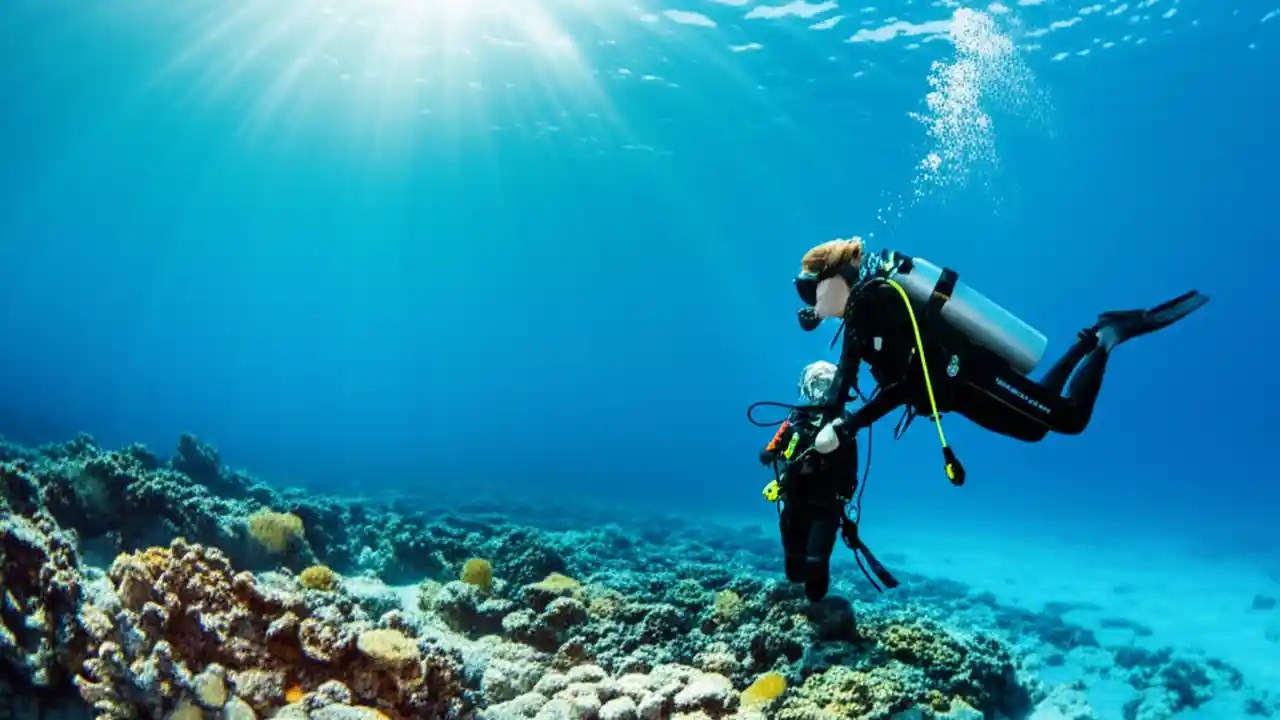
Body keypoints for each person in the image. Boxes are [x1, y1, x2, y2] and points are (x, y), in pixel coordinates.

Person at [790, 237, 1209, 485]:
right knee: (1034, 431)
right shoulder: (860, 320)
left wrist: (849, 425)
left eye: (810, 292)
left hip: (972, 376)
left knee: (1068, 420)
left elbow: (907, 382)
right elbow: (845, 381)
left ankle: (1106, 338)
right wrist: (829, 427)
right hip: (961, 392)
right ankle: (1086, 341)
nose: (811, 304)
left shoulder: (877, 302)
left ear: (834, 280)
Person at [756, 361, 898, 601]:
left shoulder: (844, 424)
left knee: (816, 567)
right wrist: (769, 452)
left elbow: (851, 471)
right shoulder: (795, 419)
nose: (822, 390)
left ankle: (819, 601)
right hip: (794, 499)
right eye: (817, 383)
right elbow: (773, 446)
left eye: (827, 383)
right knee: (794, 568)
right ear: (806, 387)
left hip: (827, 505)